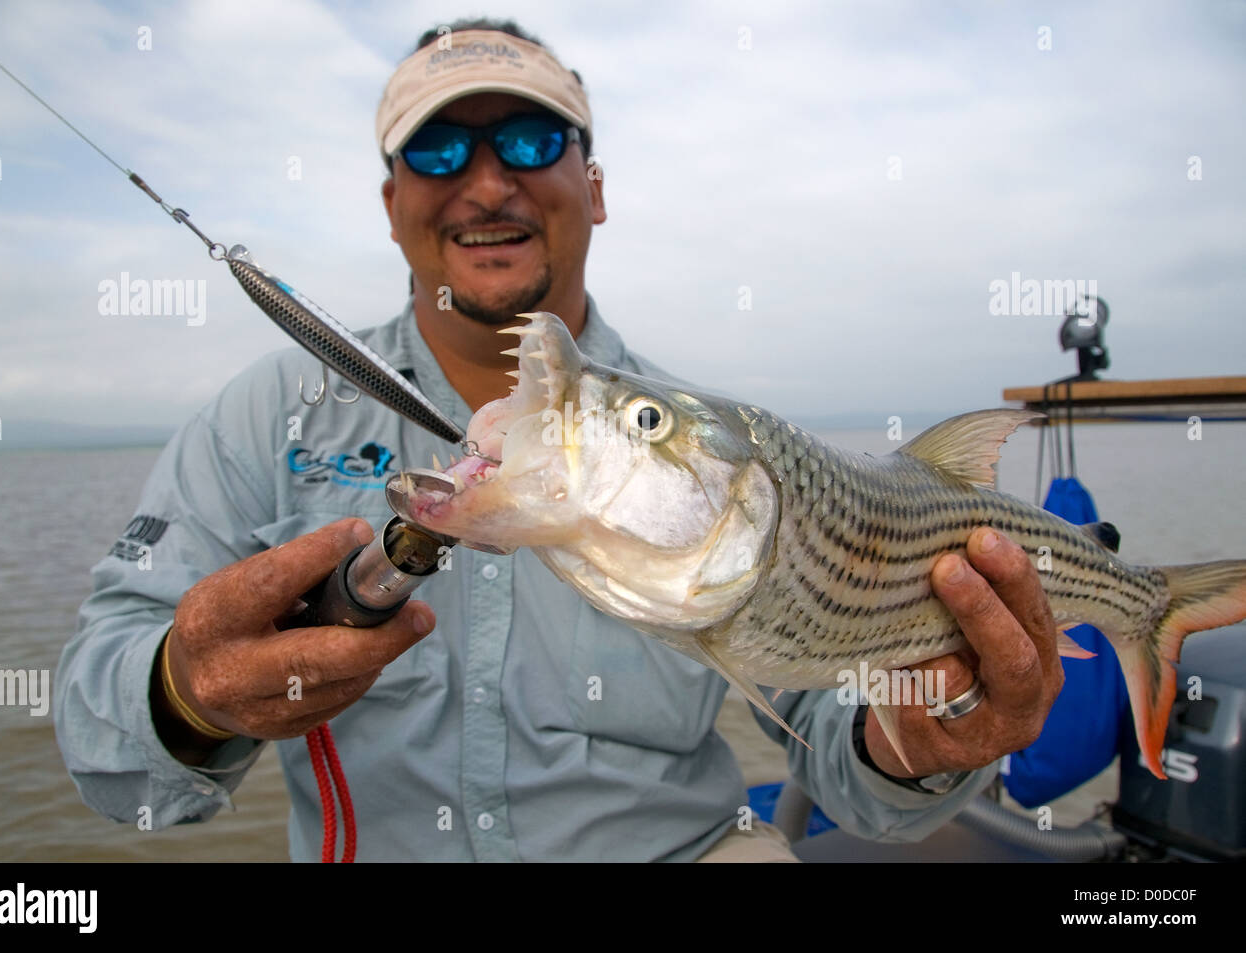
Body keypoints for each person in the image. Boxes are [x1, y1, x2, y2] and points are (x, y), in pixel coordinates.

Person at [54, 18, 1064, 862]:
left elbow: (847, 767)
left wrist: (924, 741)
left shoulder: (724, 454)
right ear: (390, 204)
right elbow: (104, 738)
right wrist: (184, 688)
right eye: (439, 151)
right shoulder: (265, 412)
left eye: (533, 141)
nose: (486, 184)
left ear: (595, 186)